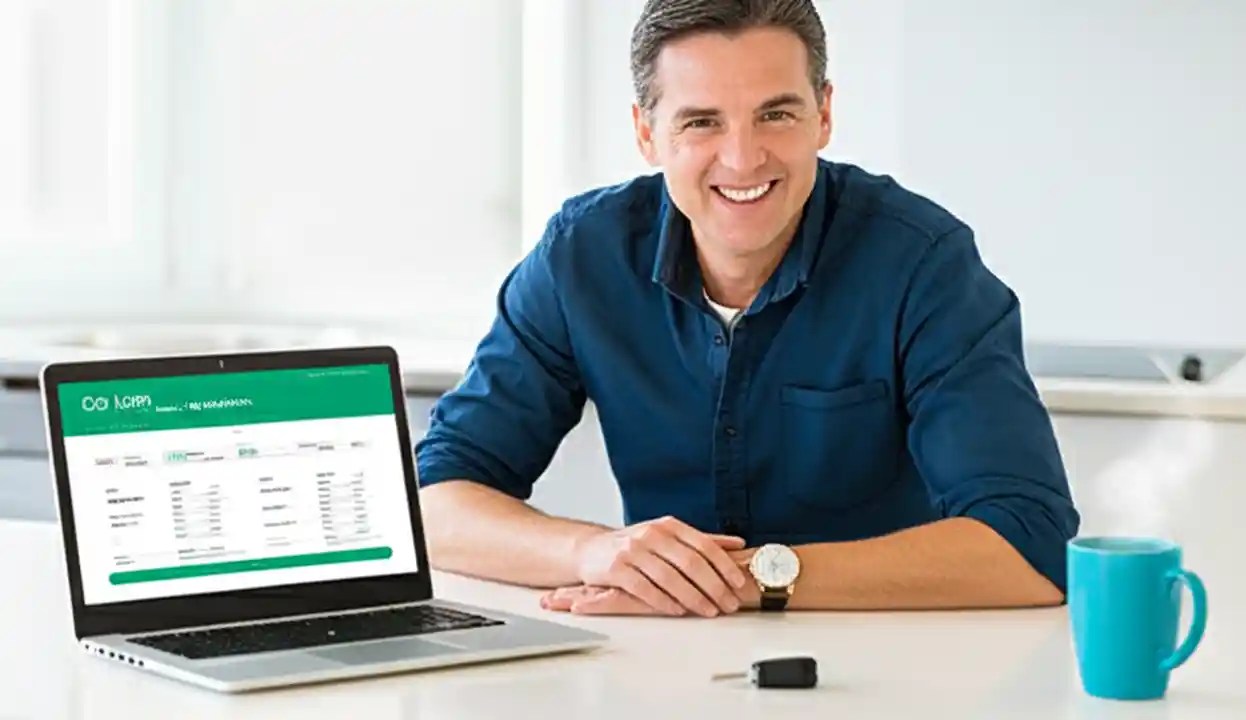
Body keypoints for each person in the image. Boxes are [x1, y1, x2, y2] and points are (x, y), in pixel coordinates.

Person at [415, 0, 1079, 617]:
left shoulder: (921, 262)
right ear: (647, 132)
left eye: (776, 114)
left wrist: (748, 579)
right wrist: (594, 553)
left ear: (823, 114)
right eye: (702, 121)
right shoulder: (581, 257)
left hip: (878, 660)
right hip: (655, 665)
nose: (741, 158)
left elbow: (1030, 544)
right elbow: (433, 505)